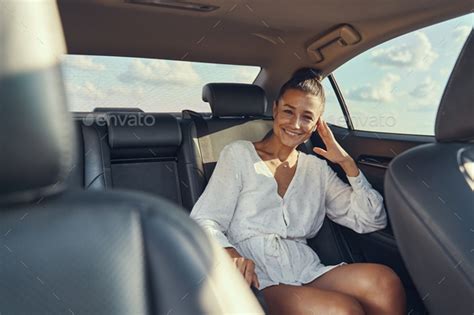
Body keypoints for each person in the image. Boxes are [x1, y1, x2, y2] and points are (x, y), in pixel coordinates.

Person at [190, 68, 406, 315]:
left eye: (306, 117)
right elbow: (204, 219)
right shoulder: (239, 155)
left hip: (305, 270)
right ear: (275, 110)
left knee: (385, 282)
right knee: (342, 310)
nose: (295, 124)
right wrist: (229, 253)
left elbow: (371, 220)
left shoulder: (317, 169)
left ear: (316, 124)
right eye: (288, 112)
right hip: (258, 277)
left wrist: (347, 164)